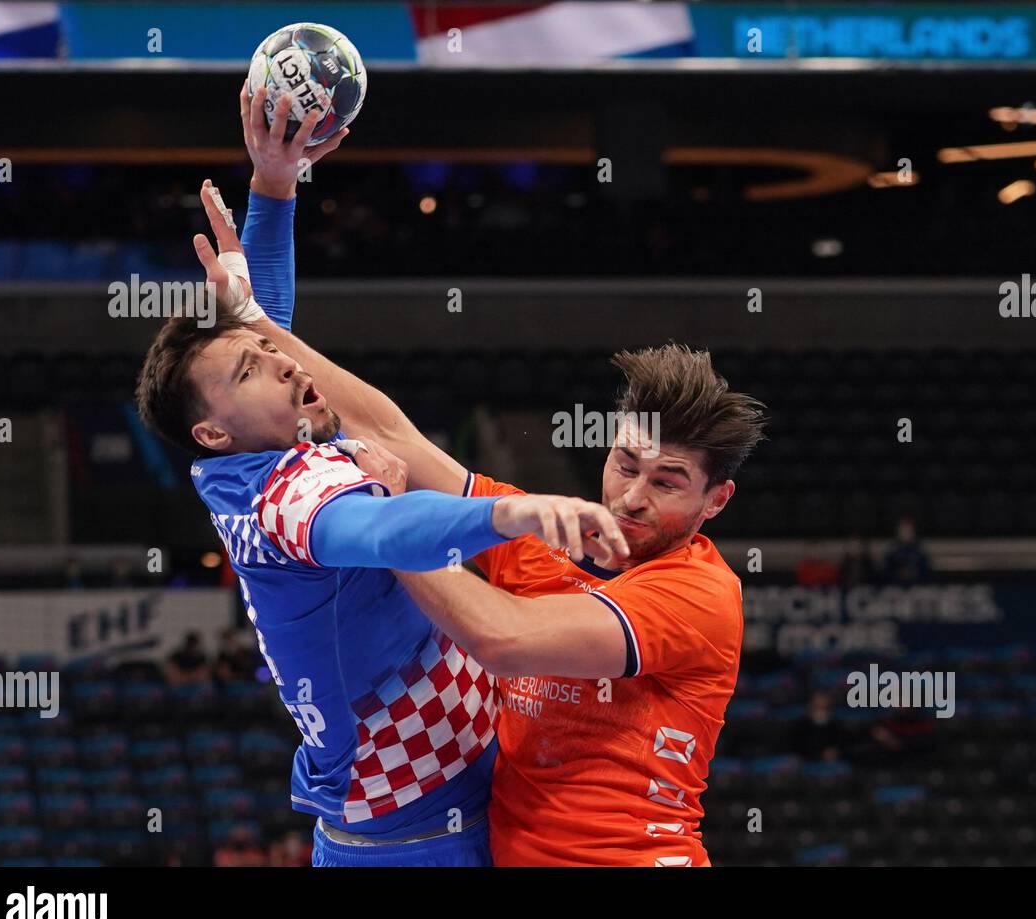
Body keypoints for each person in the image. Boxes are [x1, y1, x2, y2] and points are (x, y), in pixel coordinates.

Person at [206, 83, 769, 866]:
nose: (633, 495)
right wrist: (270, 227)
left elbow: (504, 638)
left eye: (668, 481)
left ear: (717, 500)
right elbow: (385, 426)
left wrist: (386, 517)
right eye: (625, 463)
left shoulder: (699, 593)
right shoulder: (548, 533)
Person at [136, 120, 626, 865]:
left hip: (469, 791)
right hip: (417, 836)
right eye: (251, 371)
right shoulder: (289, 499)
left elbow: (265, 320)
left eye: (267, 355)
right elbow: (386, 535)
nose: (281, 363)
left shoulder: (256, 442)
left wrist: (275, 180)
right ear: (212, 431)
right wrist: (514, 512)